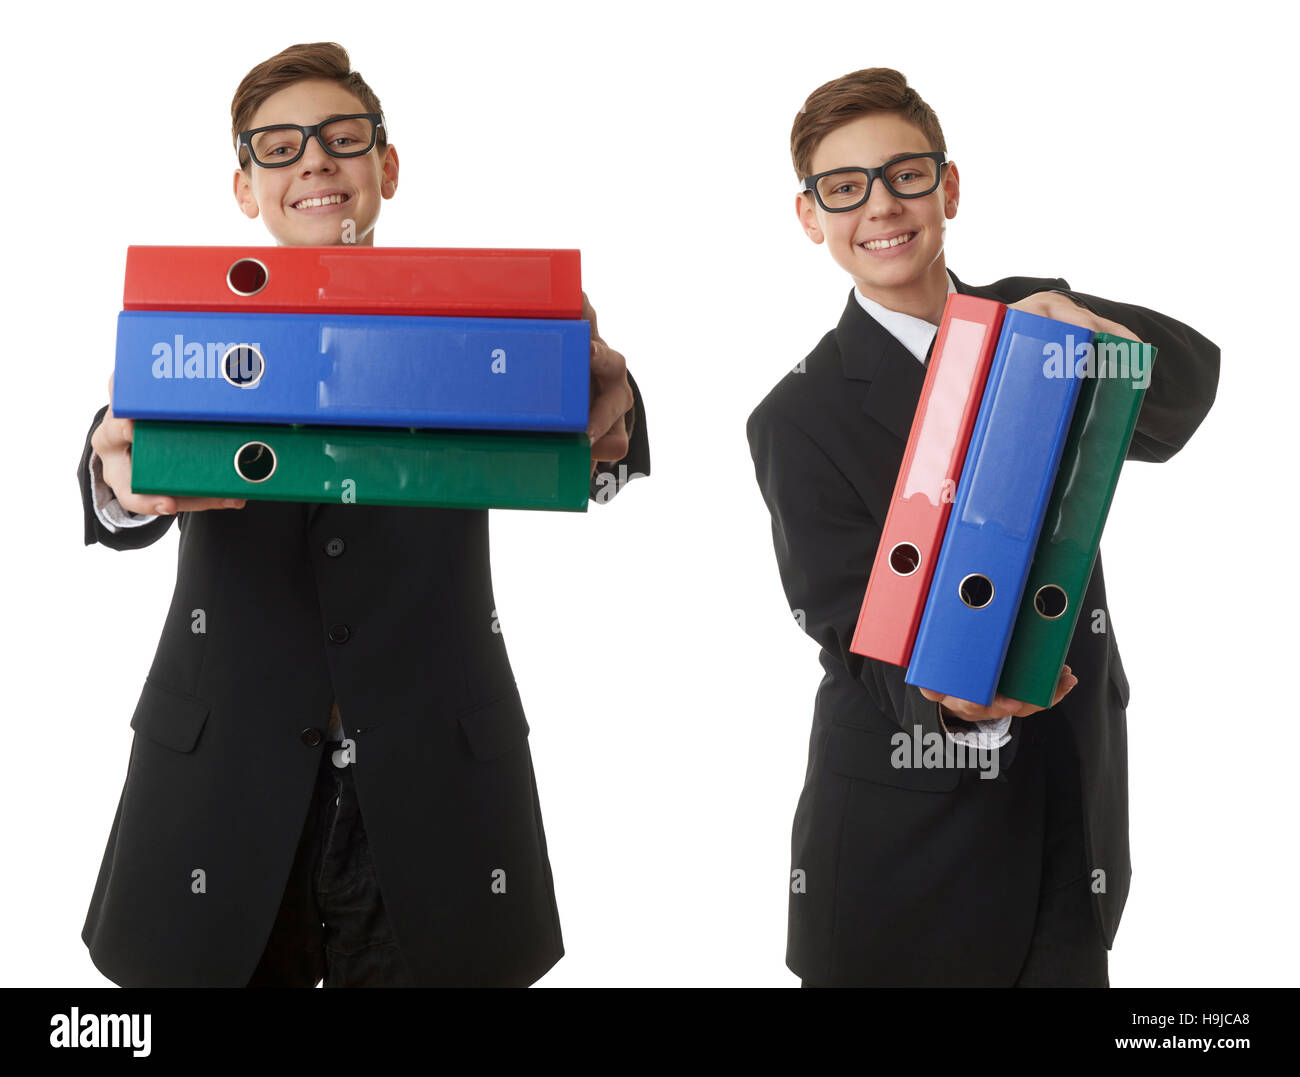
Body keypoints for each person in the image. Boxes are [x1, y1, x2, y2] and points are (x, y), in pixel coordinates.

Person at [78, 41, 649, 988]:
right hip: (224, 785)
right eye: (280, 146)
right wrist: (113, 469)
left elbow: (592, 449)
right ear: (243, 186)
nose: (313, 160)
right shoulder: (188, 331)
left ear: (387, 168)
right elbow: (119, 466)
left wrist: (616, 421)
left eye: (342, 138)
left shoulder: (478, 333)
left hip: (433, 786)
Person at [745, 67, 1218, 987]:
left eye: (905, 174)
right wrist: (953, 706)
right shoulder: (796, 417)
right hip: (906, 860)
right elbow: (853, 636)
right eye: (844, 187)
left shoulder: (1037, 321)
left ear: (947, 187)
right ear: (812, 218)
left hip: (1067, 825)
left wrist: (1089, 333)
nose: (880, 206)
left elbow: (1187, 397)